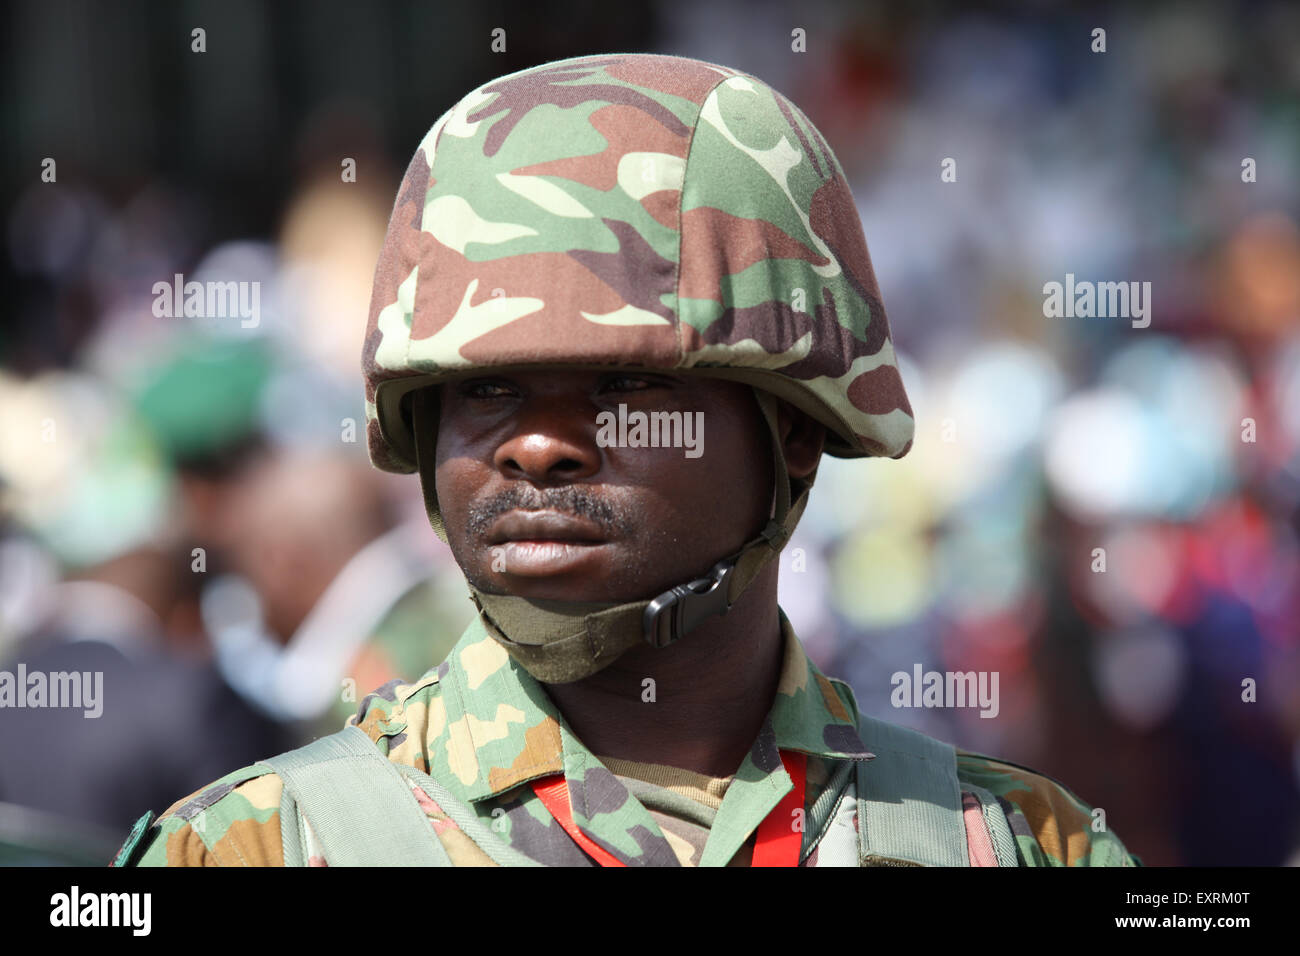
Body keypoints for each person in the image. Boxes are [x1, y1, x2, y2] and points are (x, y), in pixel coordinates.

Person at [115, 52, 1140, 867]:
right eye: (484, 388)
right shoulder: (252, 846)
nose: (536, 444)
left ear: (790, 433)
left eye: (624, 384)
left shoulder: (1013, 841)